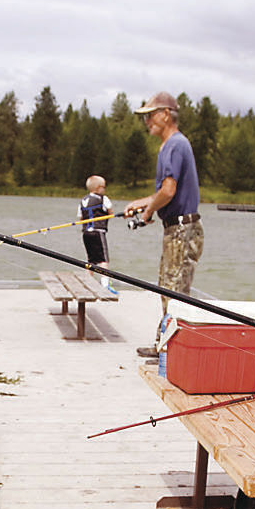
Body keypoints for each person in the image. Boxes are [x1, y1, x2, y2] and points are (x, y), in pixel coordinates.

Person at [126, 91, 203, 358]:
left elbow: (168, 191)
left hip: (182, 229)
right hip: (176, 228)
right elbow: (167, 192)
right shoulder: (173, 145)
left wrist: (148, 210)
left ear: (166, 114)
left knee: (173, 290)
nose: (147, 122)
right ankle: (166, 347)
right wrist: (141, 203)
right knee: (168, 287)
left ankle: (170, 352)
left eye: (150, 116)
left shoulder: (175, 145)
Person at [78, 174, 114, 292]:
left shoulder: (83, 201)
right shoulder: (103, 199)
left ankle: (87, 283)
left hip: (86, 233)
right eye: (104, 187)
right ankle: (105, 284)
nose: (105, 189)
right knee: (104, 259)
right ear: (99, 187)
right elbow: (111, 212)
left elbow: (81, 218)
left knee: (91, 260)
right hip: (99, 231)